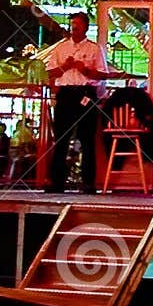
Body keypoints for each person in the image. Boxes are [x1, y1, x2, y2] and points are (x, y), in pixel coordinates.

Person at [44, 11, 109, 192]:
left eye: (78, 25)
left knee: (87, 139)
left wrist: (86, 70)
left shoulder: (94, 49)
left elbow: (103, 74)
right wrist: (65, 66)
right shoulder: (61, 48)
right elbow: (50, 72)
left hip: (85, 92)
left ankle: (88, 182)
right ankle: (56, 181)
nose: (75, 28)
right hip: (66, 93)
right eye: (72, 25)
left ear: (86, 27)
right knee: (61, 138)